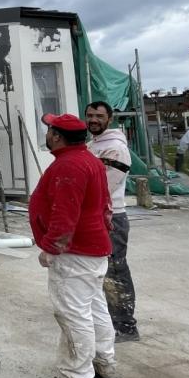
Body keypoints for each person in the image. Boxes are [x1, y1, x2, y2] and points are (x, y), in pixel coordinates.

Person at [30, 113, 117, 378]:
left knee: (72, 315)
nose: (47, 133)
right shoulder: (89, 160)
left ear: (56, 136)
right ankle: (104, 364)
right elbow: (105, 205)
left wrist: (51, 248)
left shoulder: (70, 167)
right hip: (93, 250)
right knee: (94, 309)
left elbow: (64, 215)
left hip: (75, 254)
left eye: (49, 130)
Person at [85, 101, 139, 343]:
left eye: (99, 116)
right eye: (89, 115)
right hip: (95, 217)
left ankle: (125, 326)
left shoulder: (115, 149)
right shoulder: (92, 145)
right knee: (99, 271)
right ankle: (108, 319)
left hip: (112, 217)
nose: (93, 120)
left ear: (110, 118)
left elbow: (104, 187)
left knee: (115, 271)